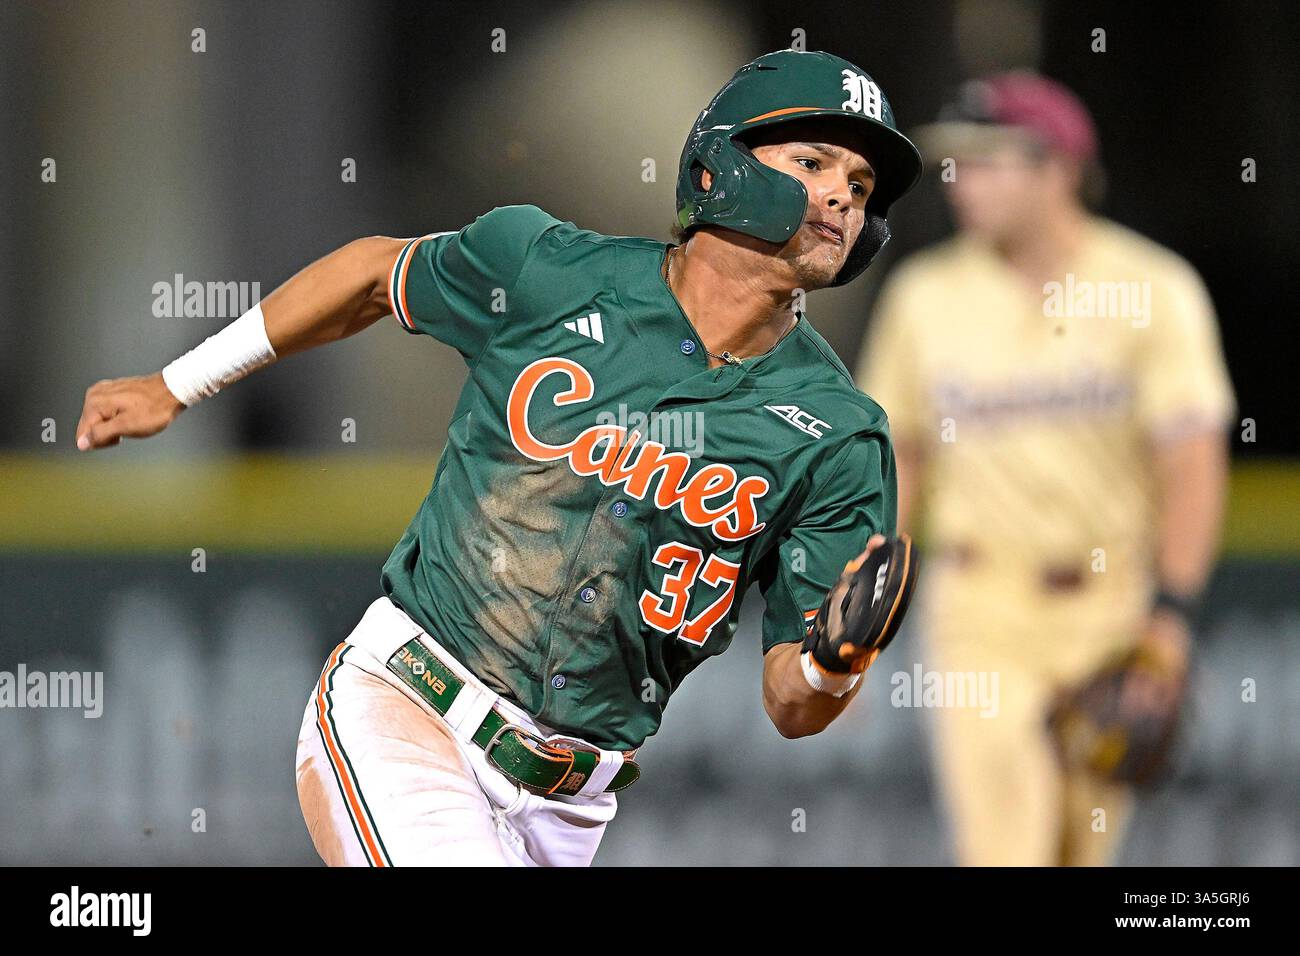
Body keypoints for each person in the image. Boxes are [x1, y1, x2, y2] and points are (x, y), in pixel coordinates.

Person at [74, 49, 922, 866]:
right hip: (411, 705)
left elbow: (790, 703)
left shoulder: (838, 432)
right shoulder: (545, 270)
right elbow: (374, 274)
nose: (841, 199)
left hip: (570, 807)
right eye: (814, 162)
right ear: (716, 169)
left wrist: (830, 663)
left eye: (859, 187)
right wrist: (178, 384)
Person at [856, 72, 1234, 866]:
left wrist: (1168, 618)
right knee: (1005, 852)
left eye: (988, 161)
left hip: (1110, 610)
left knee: (1080, 855)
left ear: (1058, 167)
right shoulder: (927, 297)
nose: (962, 182)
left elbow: (1191, 465)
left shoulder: (1153, 289)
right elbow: (898, 457)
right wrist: (868, 604)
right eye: (956, 163)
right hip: (980, 607)